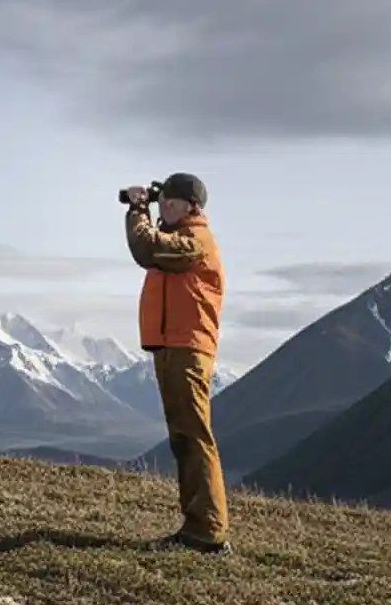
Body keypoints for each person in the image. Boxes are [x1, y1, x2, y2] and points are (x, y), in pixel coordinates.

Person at [123, 172, 231, 555]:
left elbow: (147, 249)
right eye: (161, 199)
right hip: (172, 346)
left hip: (187, 347)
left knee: (194, 436)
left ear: (192, 206)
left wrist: (139, 209)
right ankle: (198, 526)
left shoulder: (195, 241)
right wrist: (145, 210)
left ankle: (208, 531)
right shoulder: (182, 238)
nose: (163, 205)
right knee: (184, 437)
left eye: (169, 200)